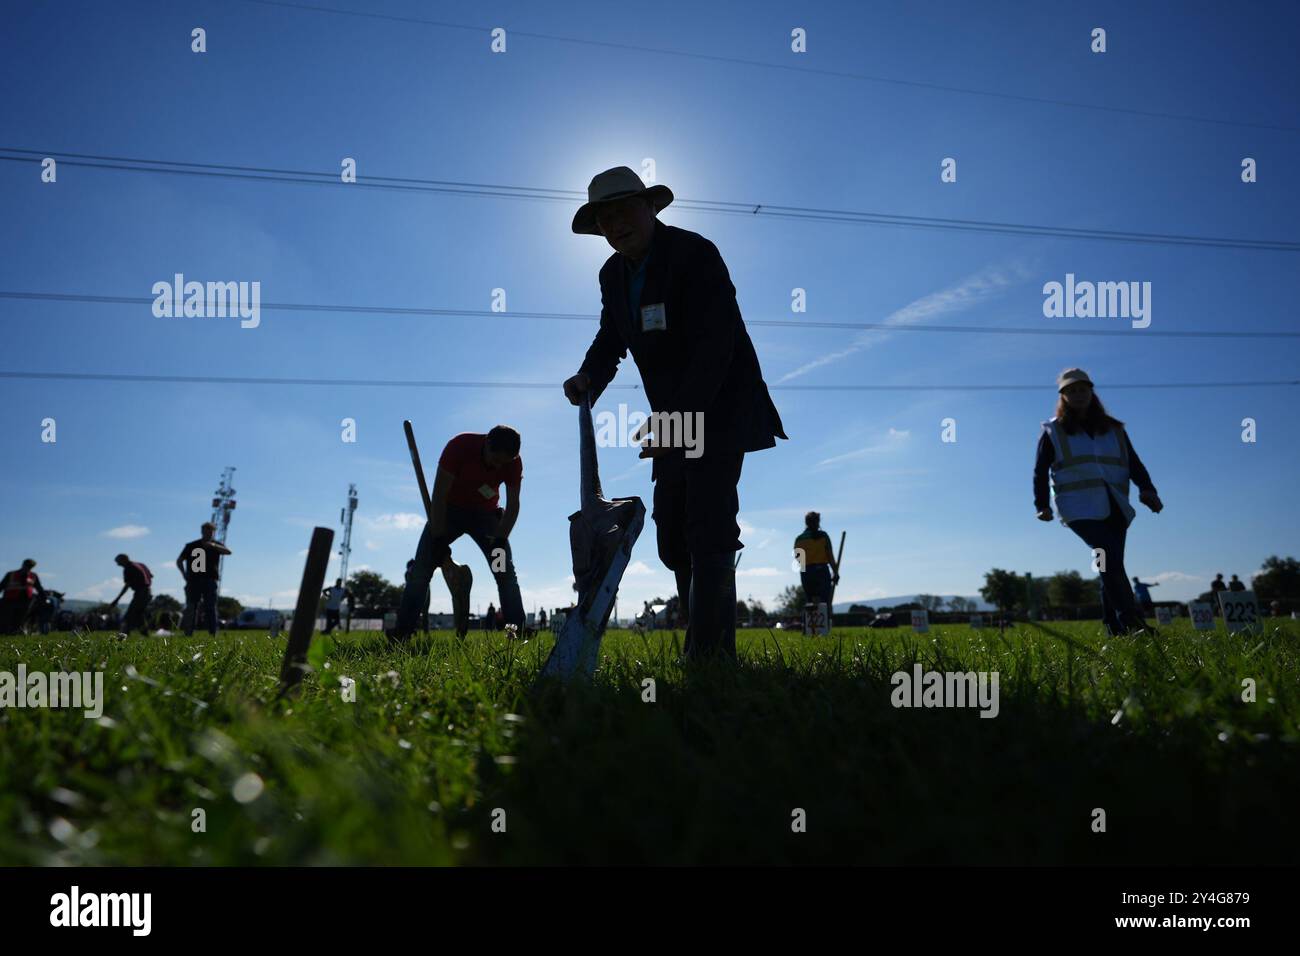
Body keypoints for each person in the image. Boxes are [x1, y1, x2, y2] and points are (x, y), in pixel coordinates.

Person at [563, 166, 787, 661]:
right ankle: (698, 626)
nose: (616, 224)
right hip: (672, 419)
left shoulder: (694, 253)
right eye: (605, 217)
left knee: (710, 524)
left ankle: (709, 657)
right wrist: (588, 379)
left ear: (650, 208)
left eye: (625, 210)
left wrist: (678, 420)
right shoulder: (611, 275)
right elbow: (610, 338)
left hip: (722, 405)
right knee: (671, 532)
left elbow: (716, 343)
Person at [1034, 368, 1163, 636]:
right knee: (1106, 555)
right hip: (1077, 506)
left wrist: (1147, 489)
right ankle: (1132, 621)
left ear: (1091, 392)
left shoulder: (1114, 429)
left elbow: (1133, 462)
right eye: (1071, 390)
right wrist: (1041, 505)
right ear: (1063, 396)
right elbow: (1040, 469)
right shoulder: (1053, 431)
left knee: (1111, 563)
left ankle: (1114, 629)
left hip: (1115, 504)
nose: (1078, 394)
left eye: (1082, 389)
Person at [393, 426, 525, 641]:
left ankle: (517, 632)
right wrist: (437, 537)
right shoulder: (459, 447)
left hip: (486, 517)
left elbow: (513, 507)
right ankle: (402, 632)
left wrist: (500, 540)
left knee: (505, 574)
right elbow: (438, 496)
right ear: (486, 444)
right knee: (420, 571)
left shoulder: (513, 462)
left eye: (504, 462)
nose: (497, 466)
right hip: (448, 512)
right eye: (495, 459)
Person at [177, 522, 230, 636]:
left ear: (213, 532)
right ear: (202, 531)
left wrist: (213, 546)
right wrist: (184, 574)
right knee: (192, 606)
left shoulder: (216, 545)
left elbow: (228, 551)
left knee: (210, 607)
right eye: (206, 531)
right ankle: (188, 632)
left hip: (210, 580)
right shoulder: (191, 545)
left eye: (210, 531)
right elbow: (179, 560)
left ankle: (213, 633)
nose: (208, 533)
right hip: (194, 580)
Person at [794, 512, 838, 615]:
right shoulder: (823, 536)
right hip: (822, 570)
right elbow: (830, 556)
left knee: (810, 601)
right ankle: (823, 626)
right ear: (818, 522)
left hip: (806, 572)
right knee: (824, 600)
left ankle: (811, 627)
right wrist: (835, 572)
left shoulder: (799, 539)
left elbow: (799, 559)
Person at [109, 554, 154, 636]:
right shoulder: (140, 564)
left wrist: (117, 599)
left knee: (130, 615)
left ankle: (124, 635)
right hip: (148, 591)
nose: (117, 564)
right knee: (139, 614)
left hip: (141, 592)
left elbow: (127, 585)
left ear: (124, 559)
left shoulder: (128, 568)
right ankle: (145, 634)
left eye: (118, 562)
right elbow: (151, 575)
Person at [0, 559, 45, 634]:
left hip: (25, 600)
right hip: (10, 599)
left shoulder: (33, 576)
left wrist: (44, 597)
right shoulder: (11, 574)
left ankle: (15, 631)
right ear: (23, 565)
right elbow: (1, 586)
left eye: (30, 567)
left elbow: (38, 587)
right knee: (7, 617)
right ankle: (5, 631)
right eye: (27, 566)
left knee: (20, 617)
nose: (28, 568)